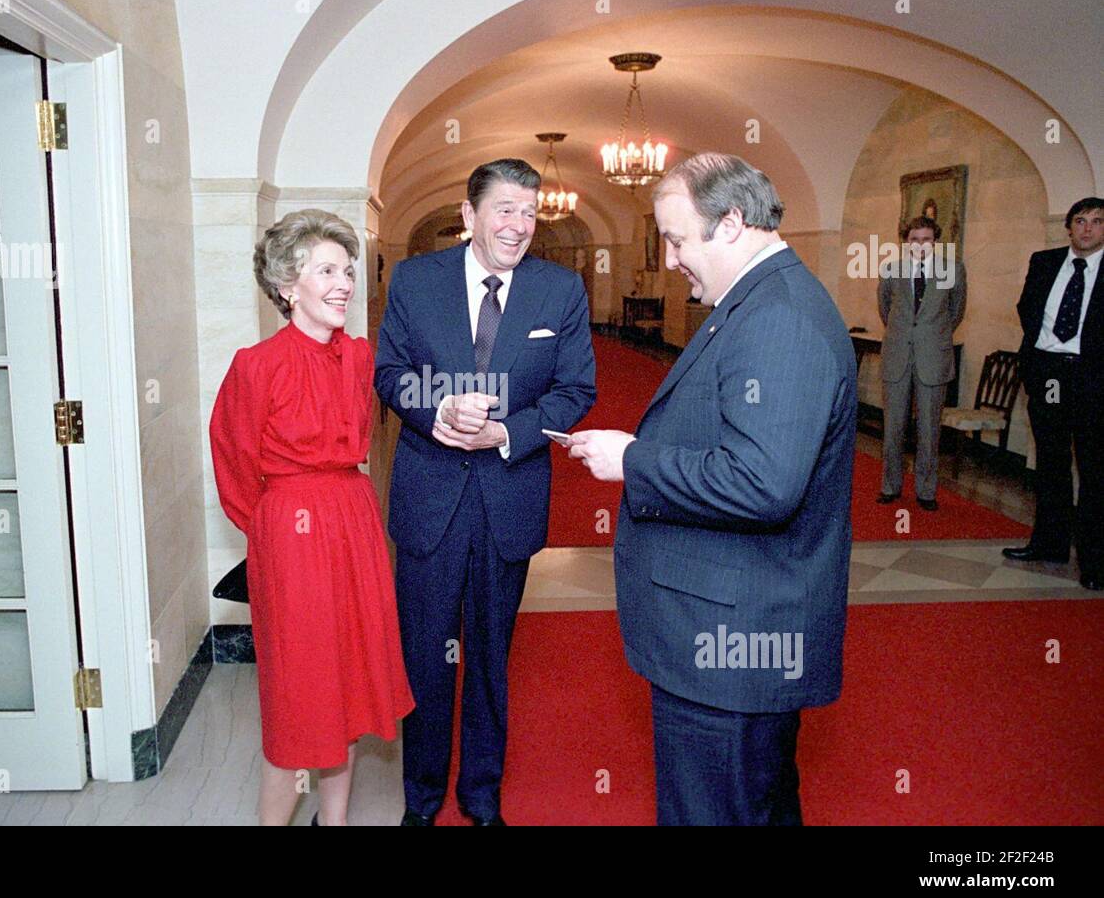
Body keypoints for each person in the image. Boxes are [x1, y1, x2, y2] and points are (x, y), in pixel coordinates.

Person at [570, 153, 856, 825]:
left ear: (730, 225)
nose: (670, 258)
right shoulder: (758, 301)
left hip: (733, 643)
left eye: (676, 238)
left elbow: (764, 483)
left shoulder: (777, 318)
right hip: (729, 633)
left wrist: (635, 460)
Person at [375, 159, 596, 825]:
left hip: (509, 498)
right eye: (504, 209)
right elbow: (389, 373)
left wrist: (506, 431)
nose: (518, 225)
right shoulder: (417, 280)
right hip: (428, 503)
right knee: (426, 658)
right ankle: (421, 799)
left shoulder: (560, 291)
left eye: (529, 212)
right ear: (469, 216)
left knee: (491, 660)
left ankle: (481, 796)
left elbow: (575, 389)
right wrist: (438, 412)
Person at [209, 209, 414, 825]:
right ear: (287, 286)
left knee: (347, 687)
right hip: (293, 537)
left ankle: (336, 822)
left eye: (348, 271)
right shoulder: (256, 364)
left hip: (353, 523)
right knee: (301, 695)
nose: (345, 284)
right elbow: (234, 467)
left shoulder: (358, 357)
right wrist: (279, 532)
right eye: (326, 270)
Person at [1002, 197, 1104, 590]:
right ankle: (1049, 543)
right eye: (1080, 221)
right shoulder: (1044, 261)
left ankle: (1094, 561)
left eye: (1096, 222)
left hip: (1091, 377)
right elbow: (1028, 308)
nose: (1087, 229)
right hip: (1049, 373)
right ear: (1069, 226)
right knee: (1051, 459)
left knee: (1093, 467)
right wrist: (1043, 359)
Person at [876, 215, 967, 510]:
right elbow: (885, 308)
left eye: (926, 239)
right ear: (906, 242)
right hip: (898, 355)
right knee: (893, 426)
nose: (920, 245)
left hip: (933, 357)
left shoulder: (953, 269)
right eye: (914, 239)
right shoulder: (892, 269)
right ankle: (890, 486)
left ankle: (926, 490)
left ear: (935, 242)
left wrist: (931, 335)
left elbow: (956, 312)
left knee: (929, 429)